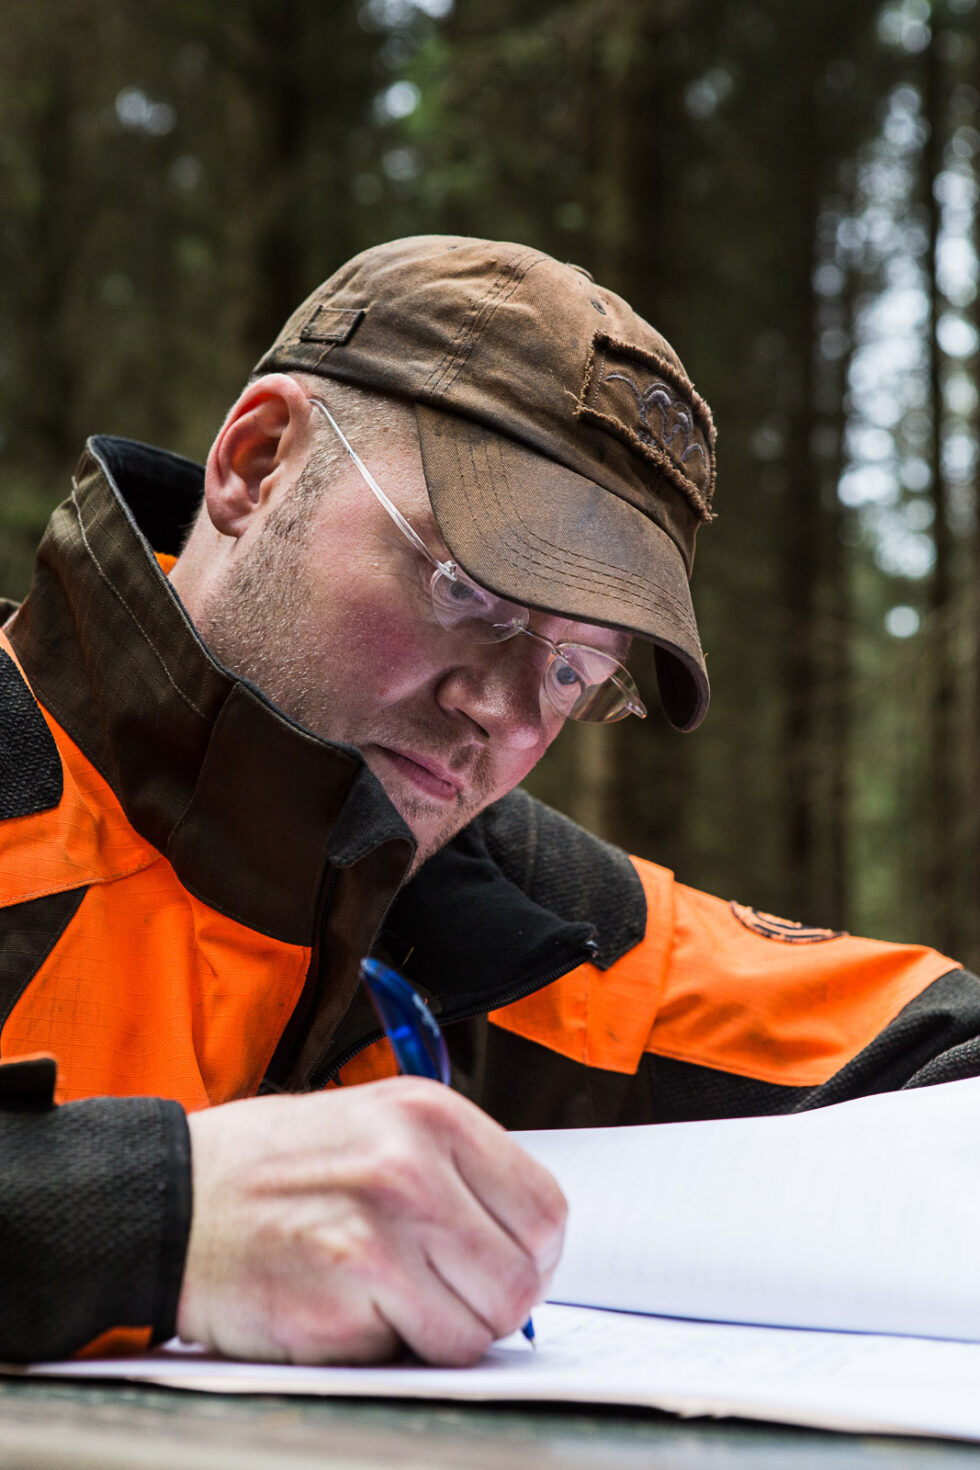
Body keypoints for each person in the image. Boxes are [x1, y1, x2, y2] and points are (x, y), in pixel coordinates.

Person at [3, 235, 980, 1368]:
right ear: (258, 463)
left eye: (573, 671)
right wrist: (151, 1221)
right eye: (466, 588)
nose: (511, 718)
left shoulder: (512, 915)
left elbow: (917, 1042)